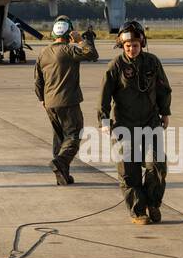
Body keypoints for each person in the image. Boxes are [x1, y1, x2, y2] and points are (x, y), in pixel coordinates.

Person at [99, 21, 172, 225]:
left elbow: (163, 88)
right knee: (128, 170)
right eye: (128, 45)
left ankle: (153, 203)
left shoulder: (152, 62)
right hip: (124, 125)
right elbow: (104, 95)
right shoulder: (116, 66)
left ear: (142, 44)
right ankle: (138, 211)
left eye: (136, 45)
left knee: (157, 165)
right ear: (122, 46)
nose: (132, 49)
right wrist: (104, 119)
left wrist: (165, 112)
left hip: (150, 122)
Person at [33, 15, 98, 185]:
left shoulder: (43, 53)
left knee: (59, 138)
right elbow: (92, 54)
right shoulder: (70, 50)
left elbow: (37, 81)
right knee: (74, 135)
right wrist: (82, 40)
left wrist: (43, 99)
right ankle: (60, 162)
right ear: (69, 33)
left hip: (49, 103)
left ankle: (62, 175)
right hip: (68, 102)